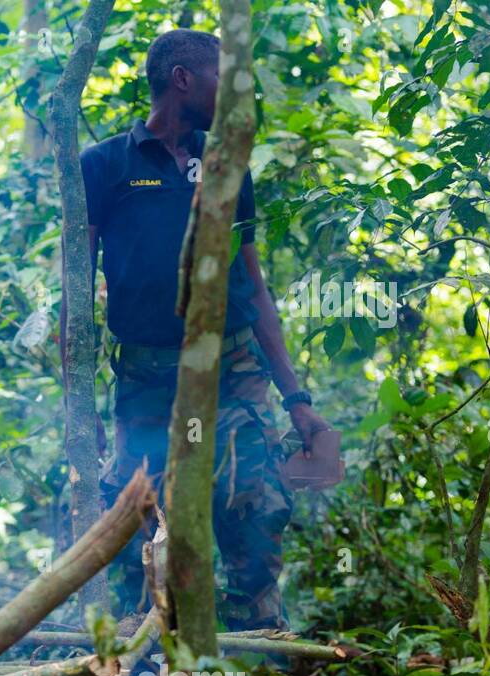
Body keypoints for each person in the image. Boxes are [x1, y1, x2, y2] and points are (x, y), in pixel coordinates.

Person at [63, 28, 331, 630]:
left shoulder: (228, 165)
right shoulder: (104, 166)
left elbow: (254, 284)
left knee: (257, 510)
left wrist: (297, 400)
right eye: (222, 78)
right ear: (182, 79)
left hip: (233, 373)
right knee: (140, 526)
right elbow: (75, 292)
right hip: (146, 379)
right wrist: (75, 411)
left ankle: (256, 668)